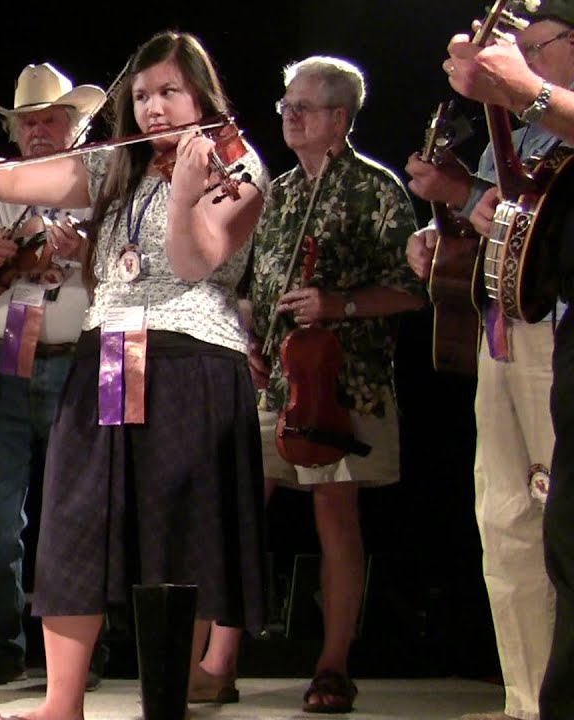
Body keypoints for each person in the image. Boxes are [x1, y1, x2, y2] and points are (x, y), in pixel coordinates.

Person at [0, 30, 268, 720]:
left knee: (177, 535)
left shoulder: (237, 164)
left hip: (192, 358)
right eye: (142, 96)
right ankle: (61, 702)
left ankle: (166, 693)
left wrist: (185, 192)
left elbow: (196, 260)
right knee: (72, 524)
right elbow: (27, 179)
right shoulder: (119, 163)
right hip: (107, 352)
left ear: (201, 93)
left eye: (169, 92)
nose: (155, 109)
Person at [240, 56, 424, 714]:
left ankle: (333, 663)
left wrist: (338, 306)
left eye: (304, 108)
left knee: (334, 515)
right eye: (285, 104)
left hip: (342, 386)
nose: (288, 116)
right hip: (275, 383)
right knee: (238, 507)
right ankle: (218, 657)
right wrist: (249, 343)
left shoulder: (377, 190)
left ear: (338, 119)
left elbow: (411, 291)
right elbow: (253, 290)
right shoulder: (280, 192)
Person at [405, 10, 574, 720]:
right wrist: (439, 235)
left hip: (552, 333)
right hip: (501, 327)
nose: (523, 61)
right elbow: (504, 223)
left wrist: (463, 195)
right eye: (519, 50)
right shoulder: (526, 128)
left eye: (537, 48)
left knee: (556, 517)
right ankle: (524, 699)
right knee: (504, 516)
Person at [0, 62, 105, 687]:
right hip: (6, 359)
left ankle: (79, 654)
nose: (35, 132)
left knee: (78, 514)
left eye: (49, 121)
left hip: (82, 361)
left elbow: (142, 268)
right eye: (26, 123)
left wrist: (84, 250)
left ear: (75, 127)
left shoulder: (102, 182)